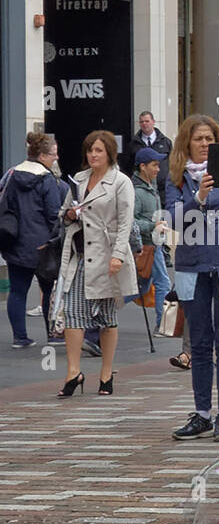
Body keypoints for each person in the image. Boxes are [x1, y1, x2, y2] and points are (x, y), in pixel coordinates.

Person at [163, 115, 219, 441]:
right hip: (192, 266)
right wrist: (198, 197)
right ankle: (202, 414)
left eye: (210, 139)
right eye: (199, 139)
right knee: (200, 343)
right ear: (186, 142)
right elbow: (173, 219)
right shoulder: (176, 178)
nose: (204, 145)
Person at [52, 131, 136, 397]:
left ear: (109, 152)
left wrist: (118, 255)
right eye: (90, 151)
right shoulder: (78, 179)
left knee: (106, 317)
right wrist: (69, 214)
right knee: (73, 314)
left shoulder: (120, 182)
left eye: (98, 150)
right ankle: (73, 372)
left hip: (106, 254)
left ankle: (106, 372)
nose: (93, 155)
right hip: (79, 255)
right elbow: (64, 214)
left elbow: (125, 222)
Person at [3, 132, 67, 348]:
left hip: (15, 241)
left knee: (17, 290)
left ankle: (19, 337)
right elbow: (53, 213)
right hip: (43, 245)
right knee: (49, 290)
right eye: (53, 154)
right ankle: (52, 334)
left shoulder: (12, 174)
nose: (55, 158)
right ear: (42, 155)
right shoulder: (47, 179)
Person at [125, 147, 171, 330]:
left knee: (141, 287)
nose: (158, 169)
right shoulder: (138, 190)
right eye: (154, 165)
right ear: (142, 166)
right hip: (146, 245)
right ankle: (163, 325)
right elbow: (130, 221)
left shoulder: (149, 187)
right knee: (162, 282)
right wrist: (153, 226)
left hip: (152, 243)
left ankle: (108, 306)